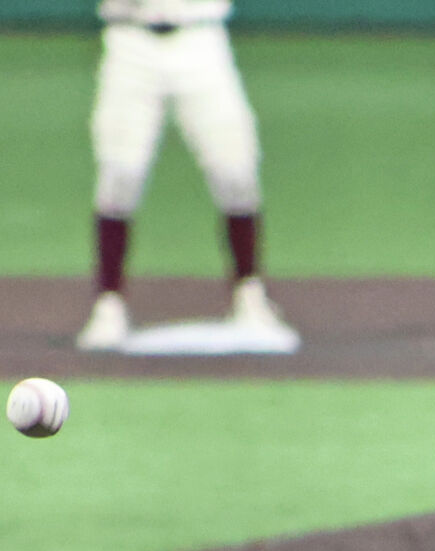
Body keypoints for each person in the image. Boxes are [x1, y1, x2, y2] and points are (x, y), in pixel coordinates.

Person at [75, 0, 297, 353]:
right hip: (130, 43)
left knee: (235, 169)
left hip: (200, 39)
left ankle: (250, 297)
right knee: (120, 173)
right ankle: (109, 305)